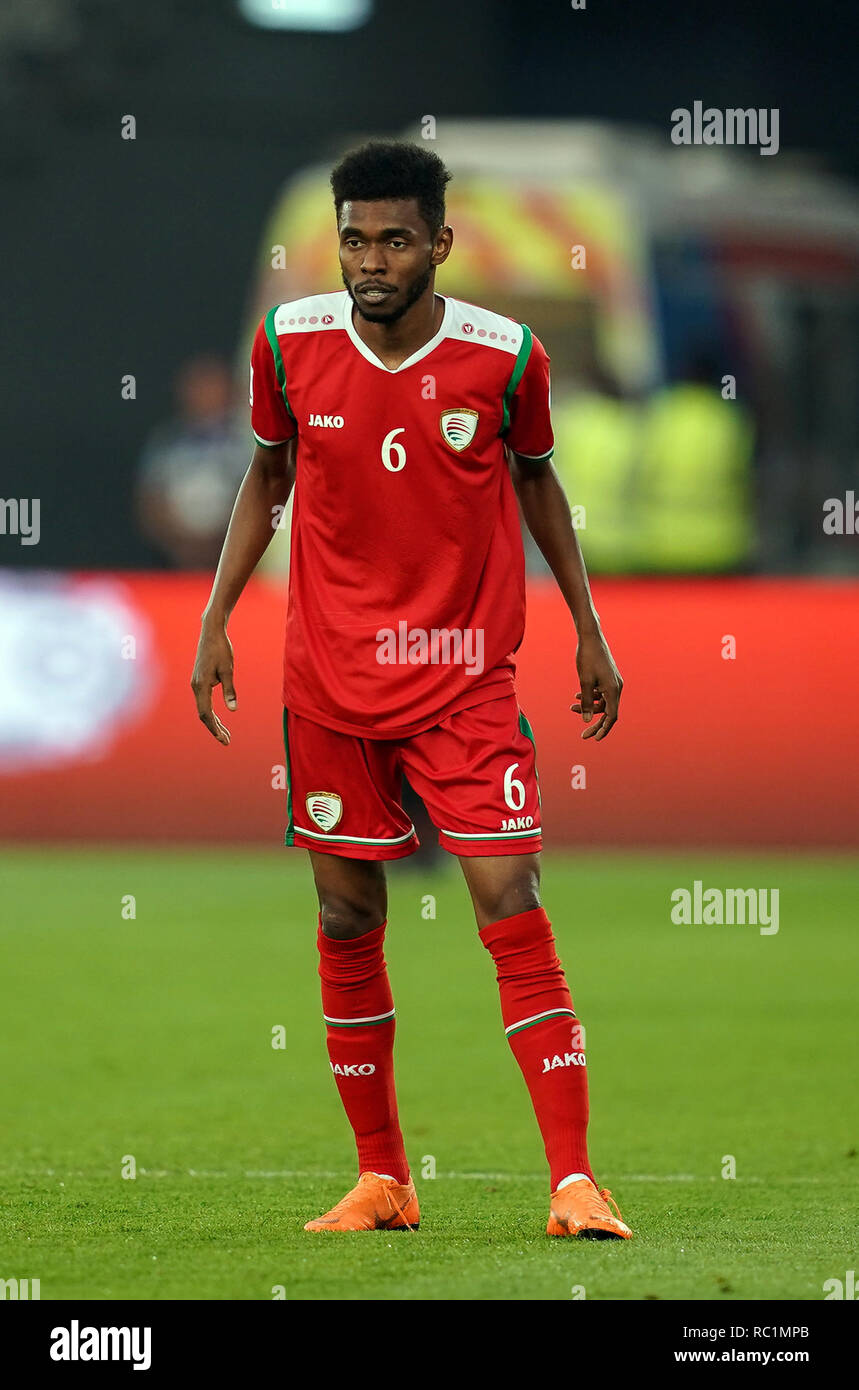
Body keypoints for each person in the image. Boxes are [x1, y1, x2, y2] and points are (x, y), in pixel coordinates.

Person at [191, 141, 631, 1239]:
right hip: (328, 684)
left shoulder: (505, 357)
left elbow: (539, 485)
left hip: (463, 682)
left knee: (507, 895)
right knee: (346, 912)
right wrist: (215, 616)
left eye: (393, 238)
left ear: (439, 241)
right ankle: (382, 1177)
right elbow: (266, 475)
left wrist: (586, 626)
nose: (370, 260)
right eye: (352, 239)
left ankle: (573, 1180)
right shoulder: (288, 345)